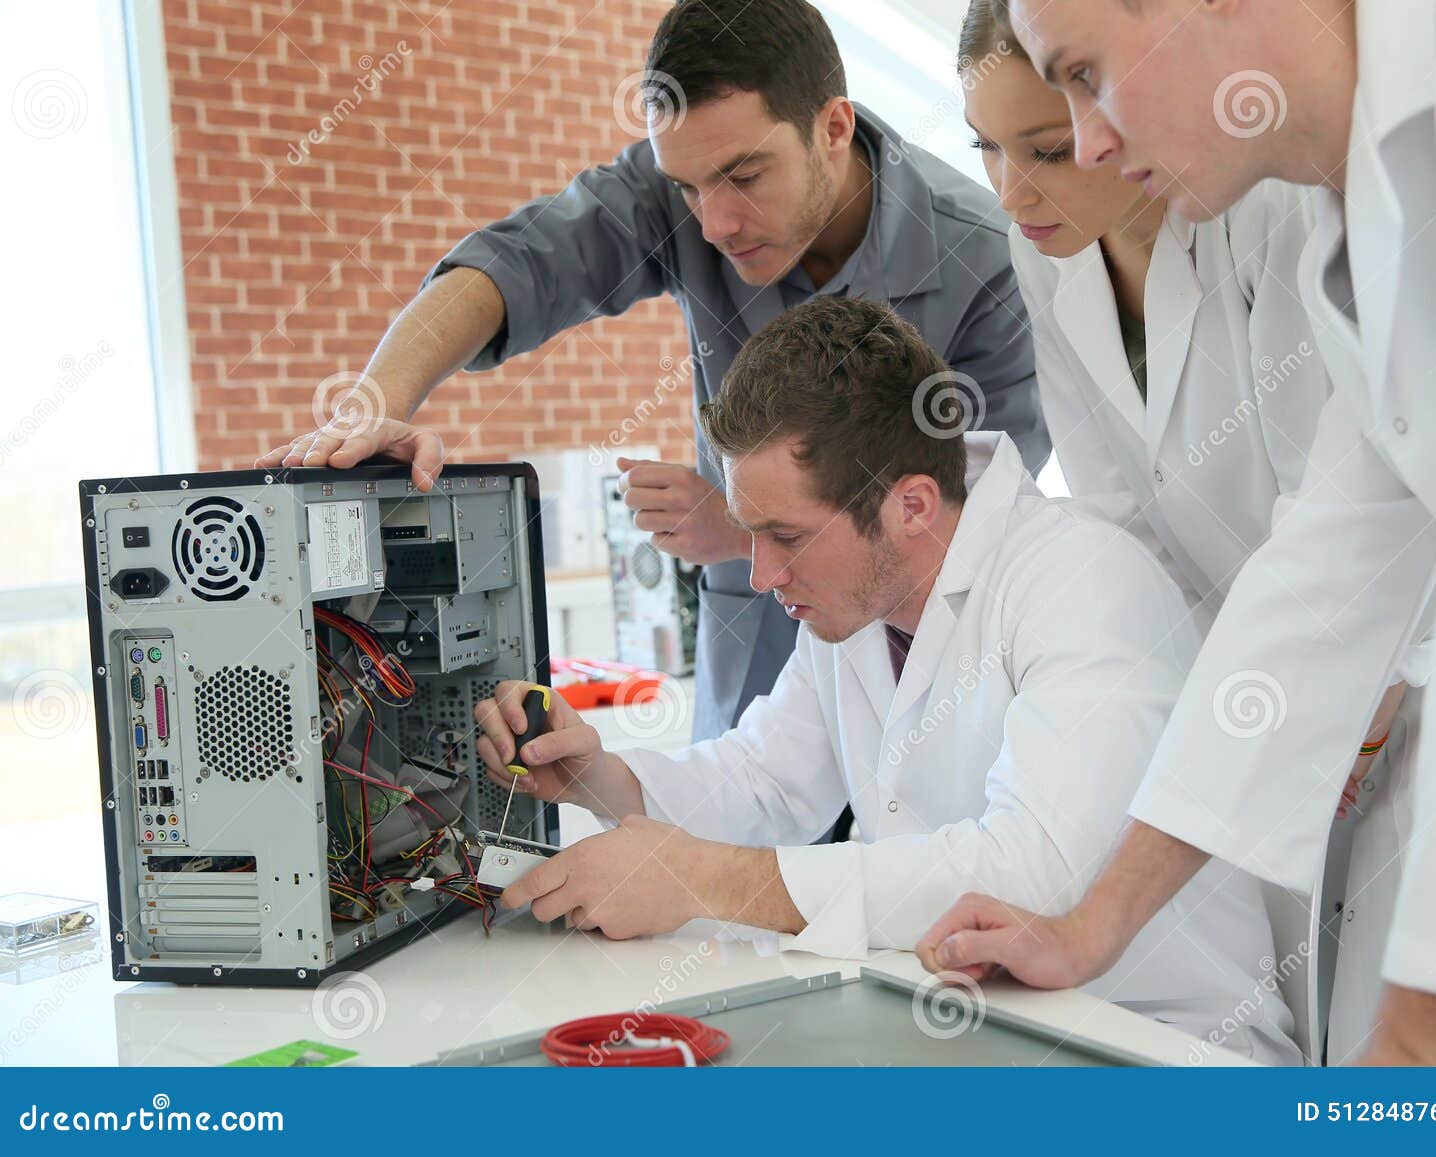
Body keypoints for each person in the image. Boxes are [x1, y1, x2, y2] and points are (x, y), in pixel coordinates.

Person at [919, 0, 1436, 1067]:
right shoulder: (1355, 221)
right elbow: (1324, 564)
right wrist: (1095, 921)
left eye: (1086, 75)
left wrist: (1426, 1035)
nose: (1088, 140)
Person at [473, 295, 1298, 1063]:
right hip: (978, 1027)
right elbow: (765, 780)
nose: (759, 574)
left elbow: (1036, 873)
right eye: (749, 531)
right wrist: (596, 776)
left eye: (785, 536)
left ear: (910, 506)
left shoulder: (1083, 581)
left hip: (1160, 1046)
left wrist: (699, 876)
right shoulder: (852, 606)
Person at [256, 0, 1047, 742]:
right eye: (687, 188)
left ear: (833, 126)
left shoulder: (985, 258)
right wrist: (372, 405)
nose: (714, 221)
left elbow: (969, 520)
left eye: (744, 176)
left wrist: (741, 529)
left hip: (923, 670)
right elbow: (518, 265)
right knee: (728, 856)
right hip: (754, 656)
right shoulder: (695, 188)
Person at [955, 0, 1411, 1065]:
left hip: (1405, 686)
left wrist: (1336, 712)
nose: (1014, 189)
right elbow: (1131, 535)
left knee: (1428, 1052)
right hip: (1273, 678)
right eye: (985, 146)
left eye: (1060, 131)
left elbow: (1341, 539)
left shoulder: (1283, 206)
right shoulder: (1055, 255)